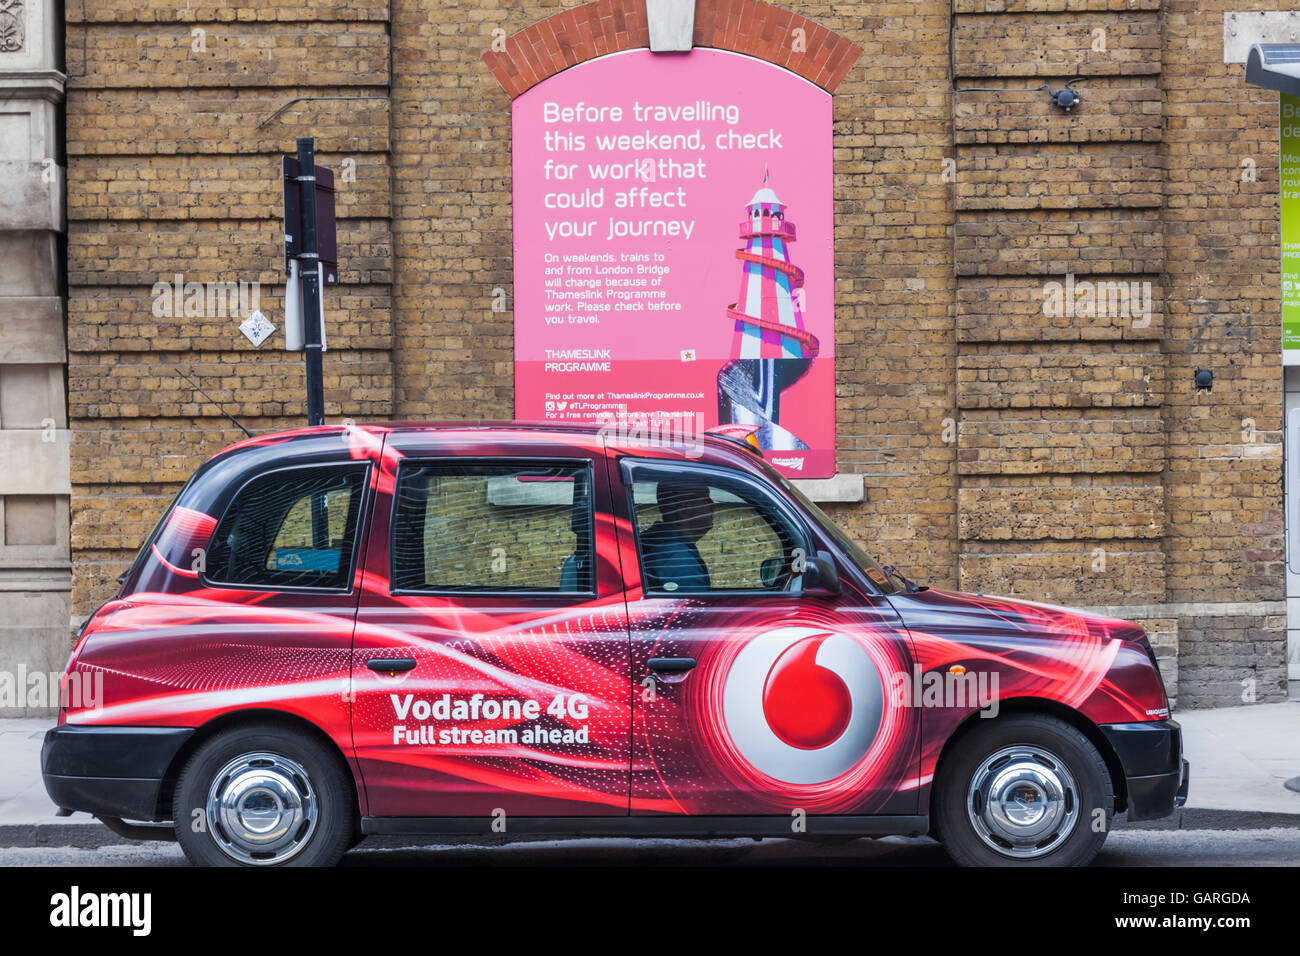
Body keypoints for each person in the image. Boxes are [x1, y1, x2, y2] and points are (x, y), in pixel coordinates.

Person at [641, 481, 713, 591]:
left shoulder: (664, 545)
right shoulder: (677, 558)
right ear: (682, 509)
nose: (712, 503)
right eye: (705, 499)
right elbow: (693, 607)